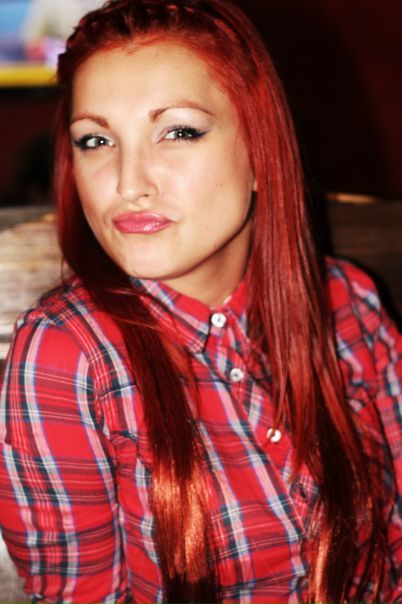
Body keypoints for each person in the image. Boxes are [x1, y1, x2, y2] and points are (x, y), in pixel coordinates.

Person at [0, 0, 400, 602]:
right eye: (96, 140)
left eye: (179, 131)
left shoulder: (351, 303)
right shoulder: (68, 356)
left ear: (262, 153)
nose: (129, 182)